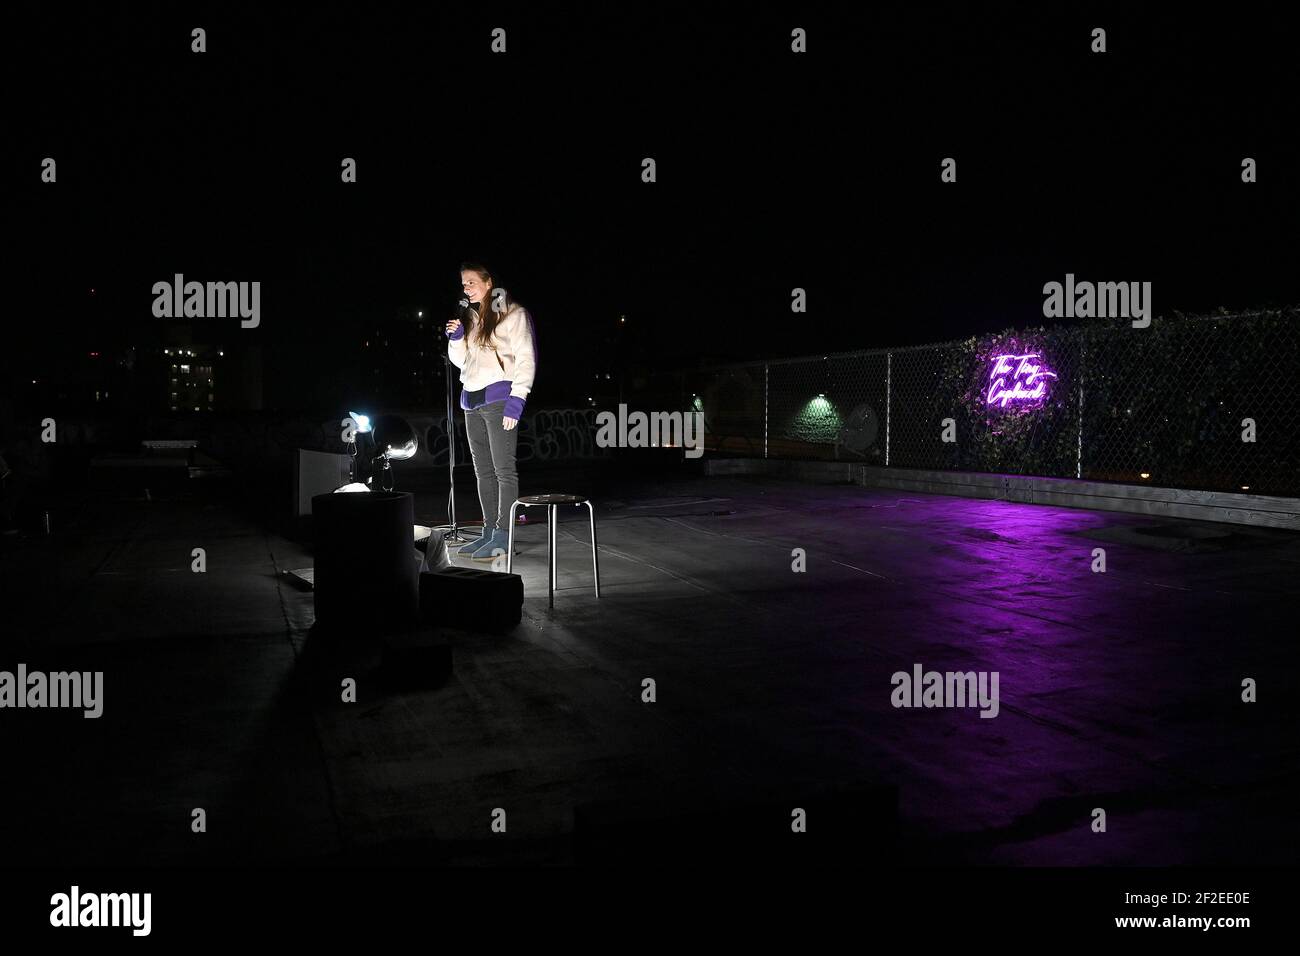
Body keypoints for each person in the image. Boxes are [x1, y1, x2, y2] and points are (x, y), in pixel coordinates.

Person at [444, 262, 537, 561]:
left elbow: (526, 358)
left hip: (499, 399)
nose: (466, 288)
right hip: (471, 400)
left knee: (503, 471)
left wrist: (517, 398)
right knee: (482, 472)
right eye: (463, 283)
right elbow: (462, 362)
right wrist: (456, 340)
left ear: (488, 282)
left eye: (471, 282)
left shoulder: (512, 313)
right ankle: (488, 532)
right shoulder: (470, 318)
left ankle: (503, 535)